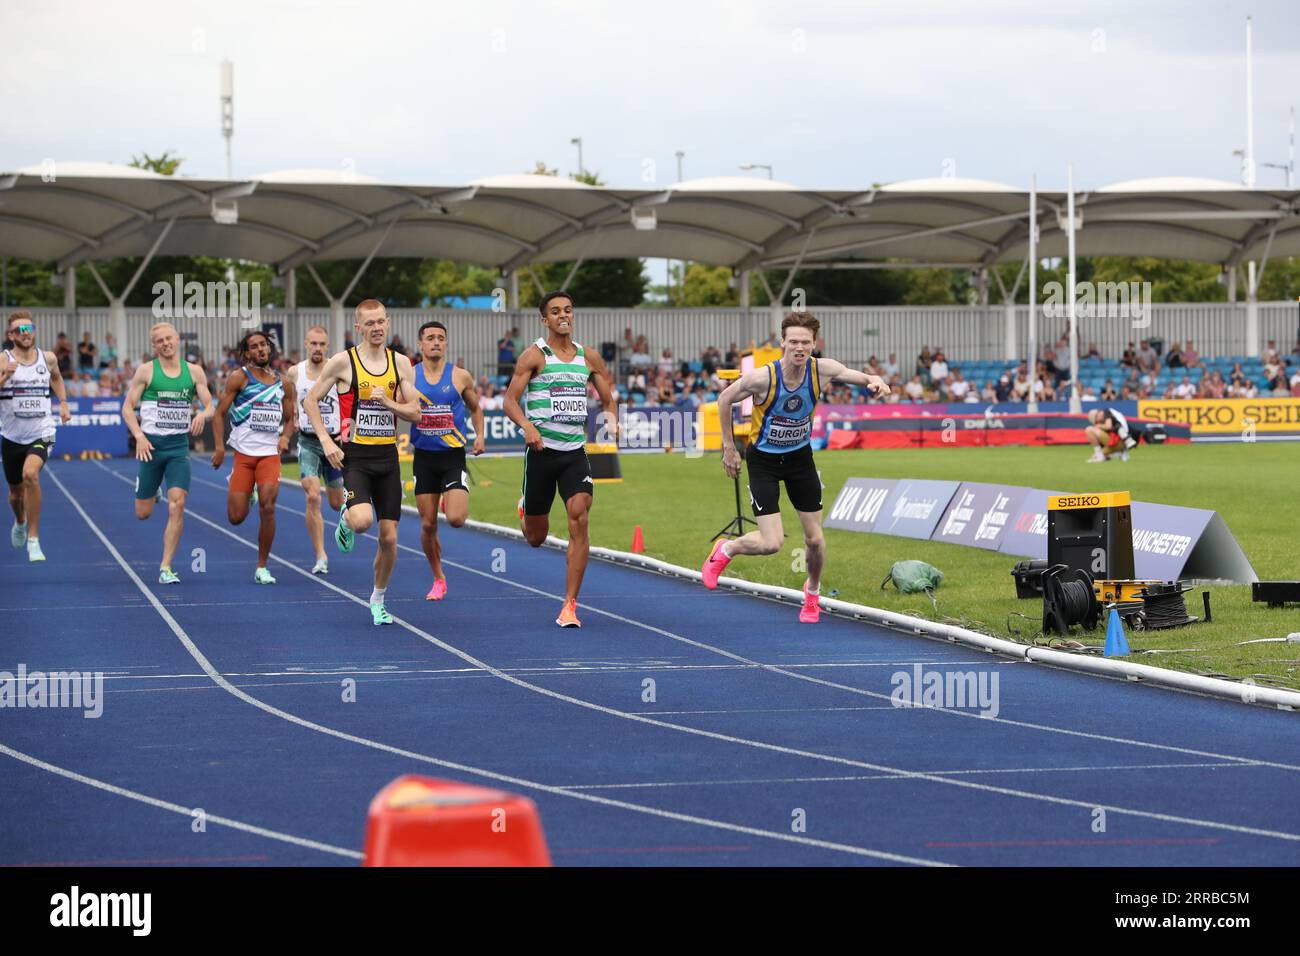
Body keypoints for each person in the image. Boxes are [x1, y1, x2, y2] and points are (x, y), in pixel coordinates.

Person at [701, 312, 889, 623]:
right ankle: (728, 549)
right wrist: (728, 447)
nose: (799, 348)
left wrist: (875, 380)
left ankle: (812, 594)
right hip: (764, 461)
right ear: (782, 343)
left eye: (805, 342)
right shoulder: (763, 378)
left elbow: (861, 377)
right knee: (772, 543)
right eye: (793, 342)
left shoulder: (822, 370)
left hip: (800, 459)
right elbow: (724, 399)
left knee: (814, 539)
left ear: (814, 344)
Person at [502, 291, 618, 628]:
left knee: (579, 515)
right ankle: (526, 508)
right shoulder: (534, 356)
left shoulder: (588, 357)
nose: (563, 315)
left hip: (574, 454)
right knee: (536, 538)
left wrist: (611, 420)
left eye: (568, 309)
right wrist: (526, 426)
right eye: (555, 311)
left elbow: (608, 400)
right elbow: (510, 401)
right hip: (540, 453)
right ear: (544, 319)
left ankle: (570, 605)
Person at [305, 300, 421, 626]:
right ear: (359, 327)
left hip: (388, 457)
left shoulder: (400, 365)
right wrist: (327, 441)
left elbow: (415, 412)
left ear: (388, 322)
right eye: (369, 323)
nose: (377, 327)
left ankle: (378, 598)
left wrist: (388, 402)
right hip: (355, 457)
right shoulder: (343, 363)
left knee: (389, 538)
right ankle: (346, 516)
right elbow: (310, 400)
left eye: (381, 321)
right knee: (361, 523)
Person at [121, 322, 215, 584]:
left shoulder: (194, 372)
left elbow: (210, 406)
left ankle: (166, 567)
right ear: (154, 345)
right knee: (143, 513)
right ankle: (152, 491)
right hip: (151, 448)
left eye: (169, 338)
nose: (165, 343)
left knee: (179, 504)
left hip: (177, 449)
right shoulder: (146, 371)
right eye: (159, 340)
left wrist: (202, 415)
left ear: (177, 339)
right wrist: (138, 436)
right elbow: (127, 408)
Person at [211, 330, 296, 584]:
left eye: (264, 345)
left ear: (269, 349)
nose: (260, 349)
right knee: (235, 518)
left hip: (269, 454)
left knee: (268, 505)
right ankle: (246, 492)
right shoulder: (239, 378)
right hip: (244, 455)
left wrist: (285, 437)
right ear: (247, 353)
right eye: (254, 346)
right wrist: (218, 449)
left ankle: (262, 566)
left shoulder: (284, 383)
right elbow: (218, 415)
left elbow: (291, 419)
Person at [410, 320, 485, 600]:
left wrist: (480, 436)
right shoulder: (409, 375)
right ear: (420, 344)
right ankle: (438, 578)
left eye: (441, 337)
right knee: (428, 524)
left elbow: (476, 407)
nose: (436, 342)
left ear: (446, 343)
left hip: (453, 456)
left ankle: (450, 494)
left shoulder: (460, 376)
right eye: (430, 338)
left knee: (455, 519)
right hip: (424, 458)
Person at [0, 311, 71, 562]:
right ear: (10, 335)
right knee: (16, 495)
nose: (26, 333)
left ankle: (34, 538)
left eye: (29, 328)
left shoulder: (48, 358)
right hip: (11, 437)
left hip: (43, 431)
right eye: (20, 330)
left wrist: (63, 402)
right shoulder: (2, 360)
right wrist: (6, 376)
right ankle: (20, 521)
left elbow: (57, 378)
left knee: (30, 474)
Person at [288, 326, 346, 575]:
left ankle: (345, 516)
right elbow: (291, 399)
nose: (318, 348)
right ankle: (321, 555)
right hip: (309, 442)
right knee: (312, 497)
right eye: (313, 344)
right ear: (306, 344)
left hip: (333, 443)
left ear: (328, 346)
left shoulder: (338, 369)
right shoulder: (295, 372)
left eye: (322, 344)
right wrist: (293, 415)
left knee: (335, 503)